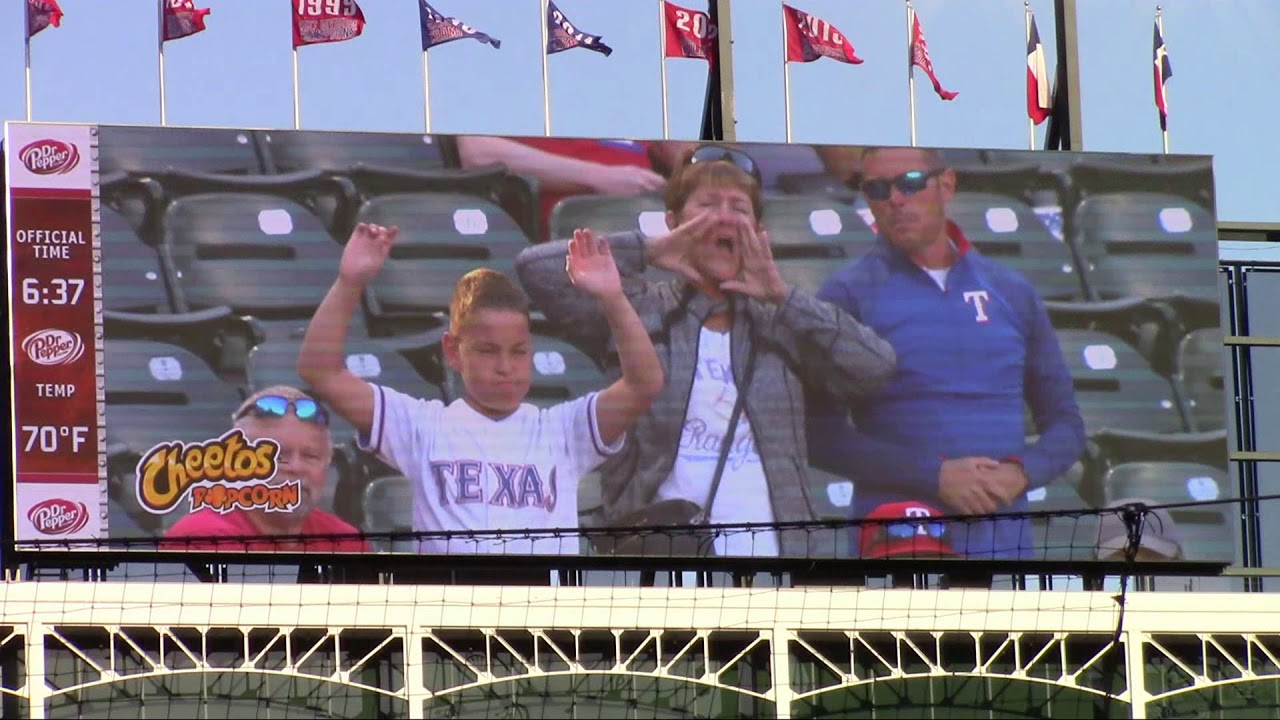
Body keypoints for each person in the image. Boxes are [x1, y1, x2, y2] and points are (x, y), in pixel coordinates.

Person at [516, 146, 897, 559]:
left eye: (739, 207)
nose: (724, 217)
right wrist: (650, 250)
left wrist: (784, 297)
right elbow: (536, 270)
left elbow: (875, 368)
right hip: (664, 561)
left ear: (757, 229)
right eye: (707, 205)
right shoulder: (639, 306)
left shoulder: (783, 318)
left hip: (776, 561)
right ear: (673, 222)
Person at [297, 222, 664, 556]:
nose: (505, 367)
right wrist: (350, 283)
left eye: (518, 352)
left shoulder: (563, 430)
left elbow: (644, 383)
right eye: (488, 350)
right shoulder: (421, 425)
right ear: (453, 351)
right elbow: (320, 370)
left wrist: (613, 299)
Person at [807, 146, 1087, 560]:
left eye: (911, 183)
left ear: (947, 184)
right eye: (878, 189)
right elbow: (819, 435)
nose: (895, 199)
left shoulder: (1012, 291)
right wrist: (935, 476)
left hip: (1001, 544)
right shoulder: (846, 294)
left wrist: (1020, 473)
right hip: (896, 547)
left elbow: (1067, 424)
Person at [164, 385, 371, 553]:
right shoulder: (203, 540)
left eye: (310, 456)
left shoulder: (345, 543)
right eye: (277, 456)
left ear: (327, 465)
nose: (296, 467)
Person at [456, 135, 696, 241]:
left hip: (654, 230)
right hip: (575, 241)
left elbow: (696, 161)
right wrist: (598, 177)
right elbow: (477, 153)